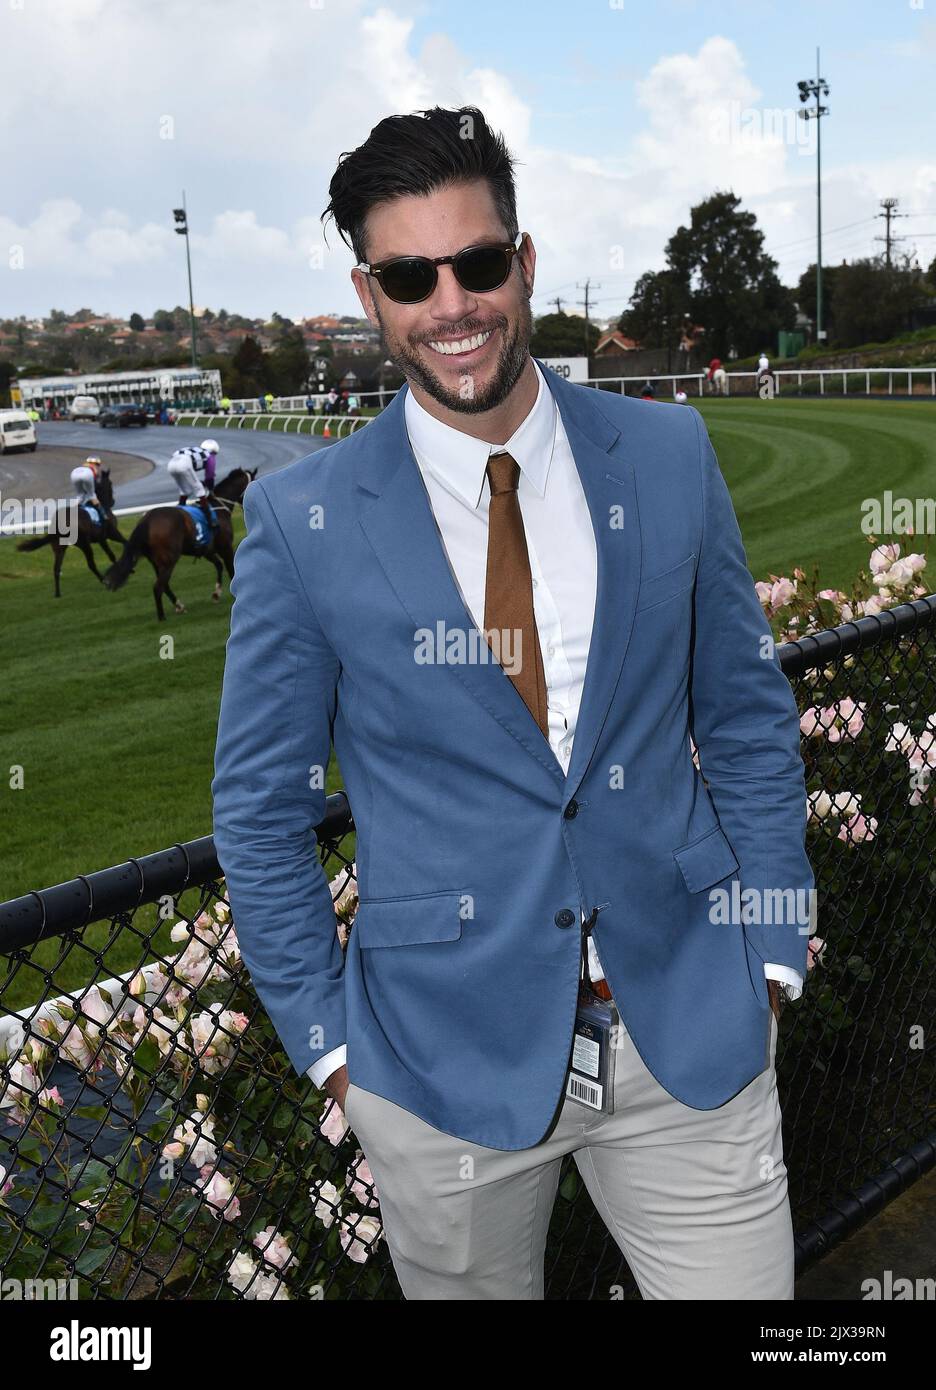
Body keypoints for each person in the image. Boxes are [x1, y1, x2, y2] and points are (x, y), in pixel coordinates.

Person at [212, 105, 812, 1302]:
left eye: (478, 263)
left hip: (692, 1026)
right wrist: (338, 1057)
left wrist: (773, 952)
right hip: (438, 1073)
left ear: (523, 264)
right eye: (410, 275)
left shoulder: (669, 456)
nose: (453, 303)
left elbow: (744, 714)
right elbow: (263, 813)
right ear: (370, 294)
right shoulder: (300, 523)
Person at [166, 439, 220, 538]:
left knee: (185, 490)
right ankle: (210, 520)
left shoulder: (196, 450)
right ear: (214, 450)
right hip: (184, 463)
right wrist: (211, 489)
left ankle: (179, 509)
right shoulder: (209, 455)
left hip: (171, 464)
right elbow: (210, 476)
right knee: (200, 489)